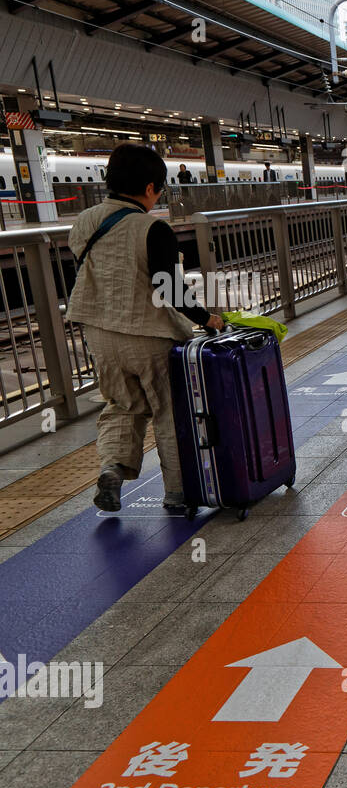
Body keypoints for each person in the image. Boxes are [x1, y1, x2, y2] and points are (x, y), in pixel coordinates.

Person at [67, 144, 225, 513]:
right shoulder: (153, 228)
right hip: (149, 336)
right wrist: (206, 319)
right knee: (169, 411)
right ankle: (177, 493)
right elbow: (169, 289)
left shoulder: (85, 220)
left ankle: (112, 469)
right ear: (152, 187)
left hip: (100, 334)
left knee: (123, 405)